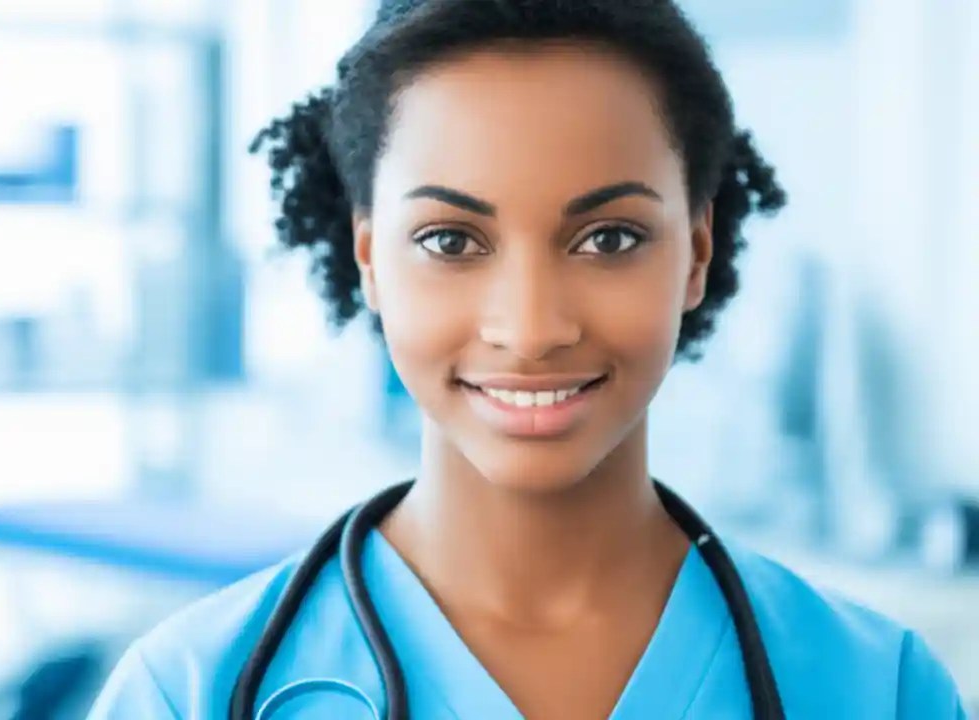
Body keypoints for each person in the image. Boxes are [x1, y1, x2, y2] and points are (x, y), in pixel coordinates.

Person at [89, 0, 969, 717]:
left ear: (696, 253)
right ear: (370, 260)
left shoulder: (877, 689)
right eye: (450, 240)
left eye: (609, 237)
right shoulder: (191, 693)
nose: (531, 326)